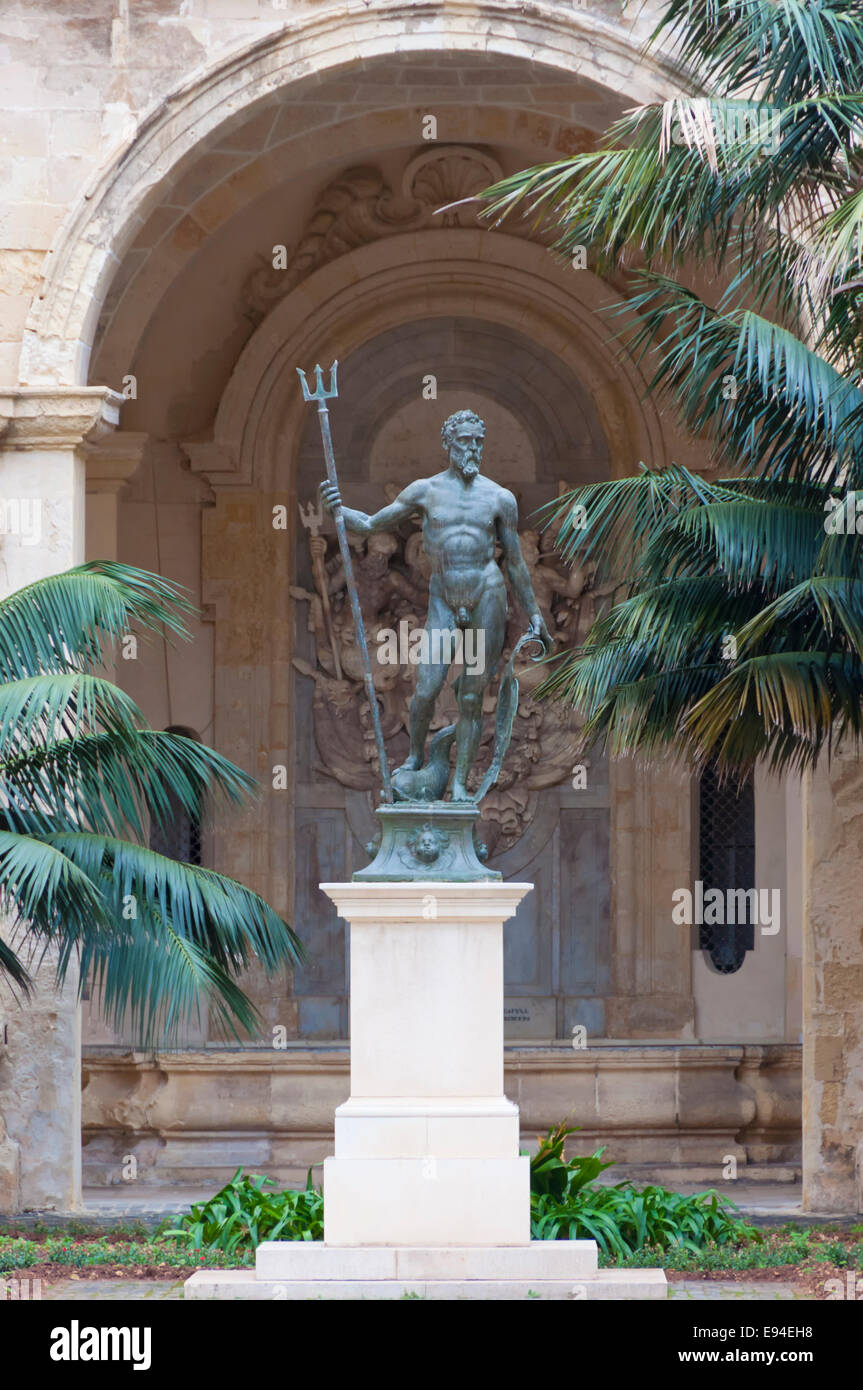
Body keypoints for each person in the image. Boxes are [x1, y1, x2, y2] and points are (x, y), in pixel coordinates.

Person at [321, 408, 551, 800]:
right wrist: (339, 510)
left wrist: (534, 614)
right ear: (448, 443)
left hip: (487, 595)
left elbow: (514, 562)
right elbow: (373, 524)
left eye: (478, 441)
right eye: (464, 440)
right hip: (444, 597)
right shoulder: (424, 491)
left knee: (471, 694)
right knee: (426, 686)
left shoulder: (500, 498)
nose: (472, 448)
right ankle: (413, 757)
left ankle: (460, 782)